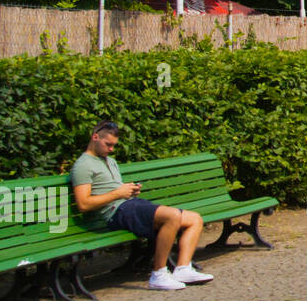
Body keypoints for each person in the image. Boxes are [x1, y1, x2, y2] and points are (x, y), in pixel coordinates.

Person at [69, 121, 214, 291]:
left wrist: (129, 190)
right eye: (108, 144)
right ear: (95, 137)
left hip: (129, 205)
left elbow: (114, 190)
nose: (111, 149)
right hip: (115, 213)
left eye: (114, 145)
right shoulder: (83, 165)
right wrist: (118, 193)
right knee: (172, 216)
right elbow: (83, 204)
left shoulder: (110, 160)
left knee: (195, 219)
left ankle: (182, 269)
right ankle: (158, 274)